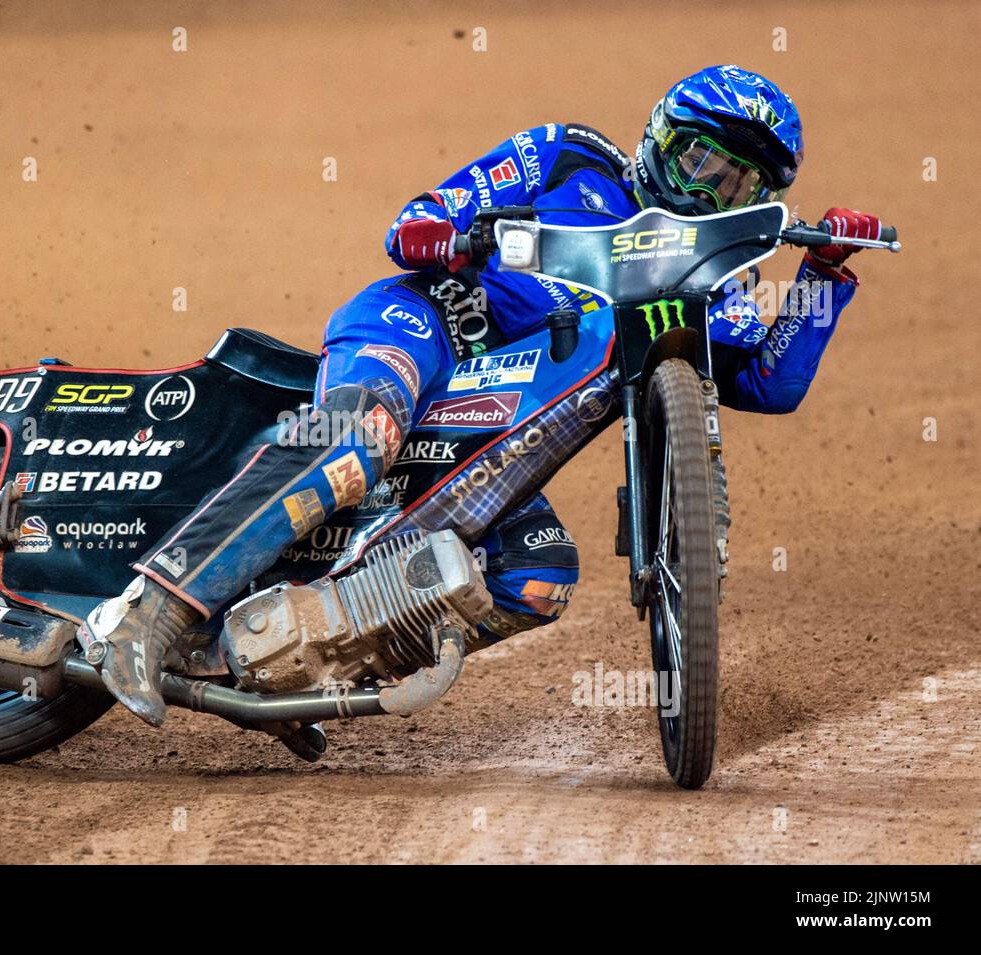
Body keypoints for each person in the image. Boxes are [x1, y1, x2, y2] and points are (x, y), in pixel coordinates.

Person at [85, 64, 885, 727]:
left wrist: (823, 274)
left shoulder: (714, 276)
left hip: (492, 426)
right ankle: (146, 614)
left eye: (733, 183)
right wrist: (447, 234)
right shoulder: (567, 155)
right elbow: (416, 220)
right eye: (697, 162)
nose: (706, 192)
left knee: (538, 575)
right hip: (426, 327)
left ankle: (290, 673)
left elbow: (767, 383)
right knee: (358, 437)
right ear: (658, 139)